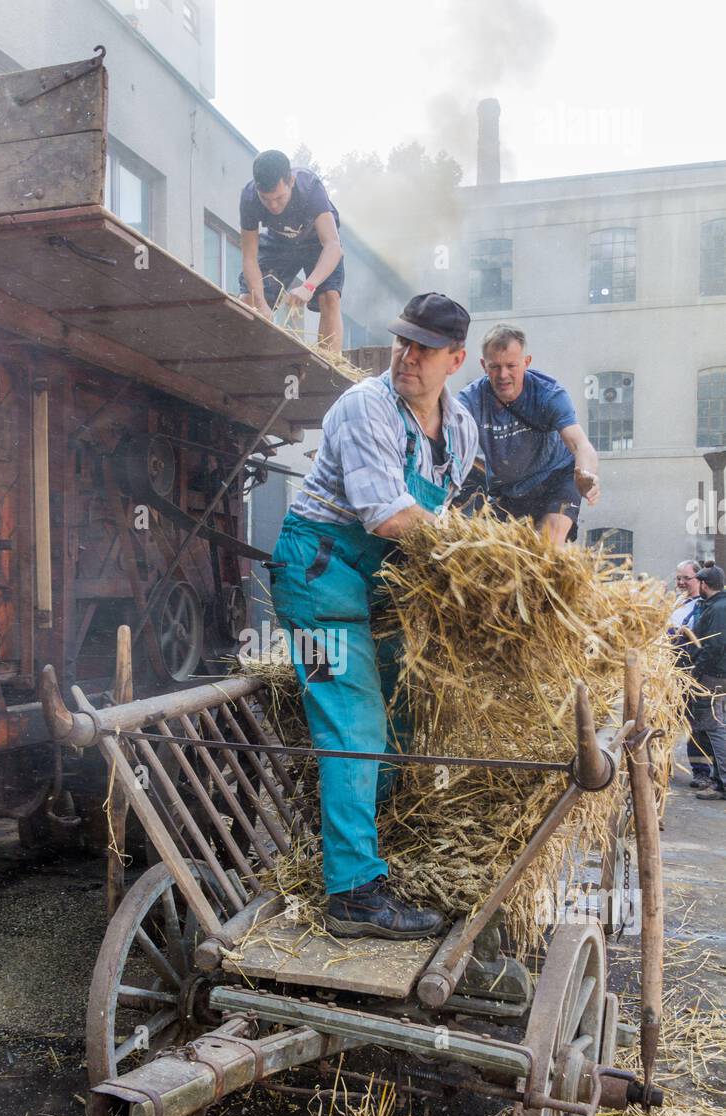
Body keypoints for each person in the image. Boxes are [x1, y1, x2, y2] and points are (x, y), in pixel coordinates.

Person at [268, 294, 479, 939]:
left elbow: (437, 517)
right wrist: (475, 555)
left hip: (381, 581)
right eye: (402, 341)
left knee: (411, 701)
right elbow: (390, 517)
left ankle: (378, 847)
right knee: (354, 720)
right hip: (317, 573)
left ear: (456, 360)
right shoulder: (366, 406)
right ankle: (354, 893)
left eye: (424, 348)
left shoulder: (461, 427)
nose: (407, 355)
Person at [458, 324, 600, 545]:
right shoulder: (470, 401)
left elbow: (580, 445)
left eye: (511, 366)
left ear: (526, 362)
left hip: (556, 478)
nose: (503, 375)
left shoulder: (548, 394)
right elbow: (446, 443)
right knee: (506, 557)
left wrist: (586, 475)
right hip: (508, 490)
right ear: (483, 365)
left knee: (546, 545)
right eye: (495, 367)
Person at [239, 150, 344, 353]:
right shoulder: (249, 197)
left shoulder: (310, 187)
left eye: (279, 198)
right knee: (249, 300)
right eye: (266, 200)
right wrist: (261, 304)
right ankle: (249, 358)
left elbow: (333, 246)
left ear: (291, 181)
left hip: (317, 244)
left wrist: (309, 286)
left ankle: (330, 367)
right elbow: (249, 258)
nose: (273, 206)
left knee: (329, 297)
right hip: (279, 243)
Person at [668, 560, 710, 787]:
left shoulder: (703, 606)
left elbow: (701, 640)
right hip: (670, 671)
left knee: (696, 724)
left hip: (691, 670)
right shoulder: (677, 601)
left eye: (686, 578)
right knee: (667, 720)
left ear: (699, 580)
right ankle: (662, 766)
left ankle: (702, 771)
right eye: (678, 578)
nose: (682, 582)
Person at [689, 564, 726, 802]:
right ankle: (717, 779)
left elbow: (713, 645)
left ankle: (722, 782)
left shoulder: (719, 608)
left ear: (704, 584)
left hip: (712, 676)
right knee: (714, 727)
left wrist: (697, 669)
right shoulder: (718, 605)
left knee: (714, 728)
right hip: (717, 674)